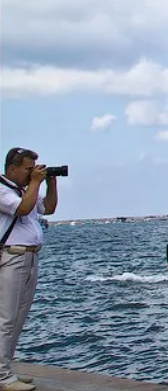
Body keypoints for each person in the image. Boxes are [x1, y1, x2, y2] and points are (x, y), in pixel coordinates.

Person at [0, 148, 58, 391]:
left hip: (29, 257)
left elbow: (49, 208)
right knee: (6, 318)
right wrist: (35, 183)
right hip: (12, 256)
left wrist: (51, 184)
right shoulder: (3, 190)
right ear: (12, 169)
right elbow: (22, 209)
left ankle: (6, 369)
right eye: (27, 169)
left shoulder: (25, 190)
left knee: (19, 317)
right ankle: (2, 376)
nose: (32, 173)